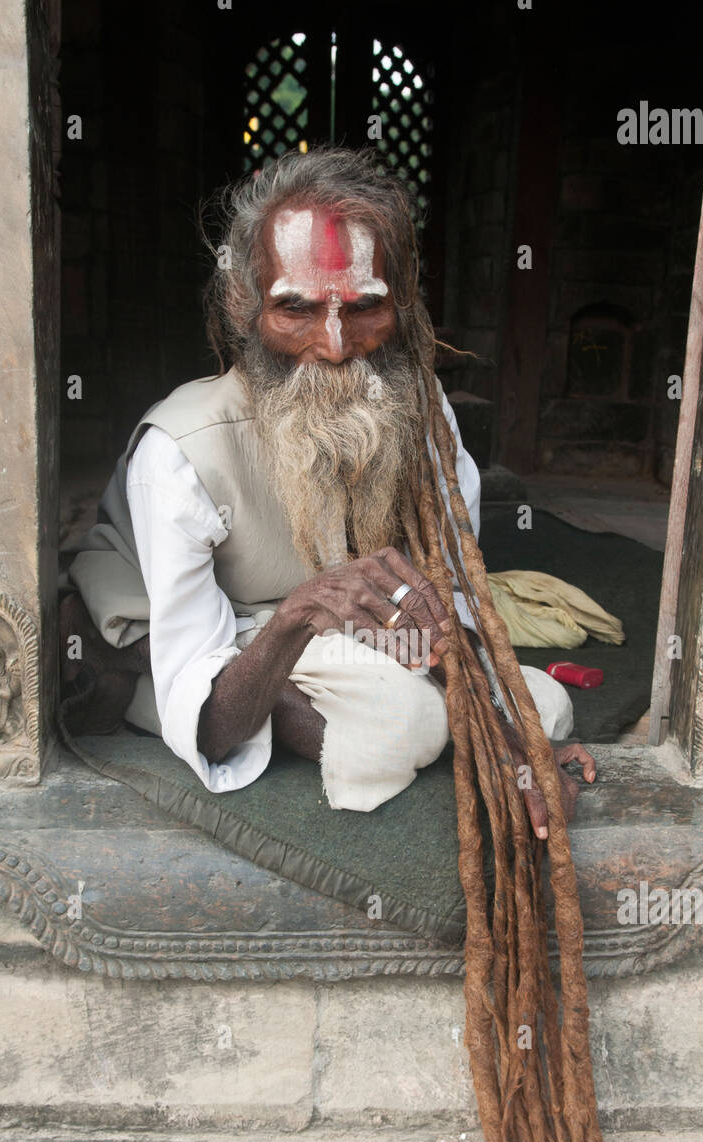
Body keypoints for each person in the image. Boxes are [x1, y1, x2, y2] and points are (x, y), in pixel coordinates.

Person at [62, 147, 594, 827]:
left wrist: (500, 729)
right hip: (212, 627)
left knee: (542, 706)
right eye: (296, 310)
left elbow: (443, 611)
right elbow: (218, 727)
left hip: (353, 631)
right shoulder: (181, 451)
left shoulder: (424, 416)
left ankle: (367, 709)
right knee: (398, 723)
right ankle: (124, 669)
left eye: (364, 308)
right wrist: (298, 615)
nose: (336, 344)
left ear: (400, 306)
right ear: (244, 307)